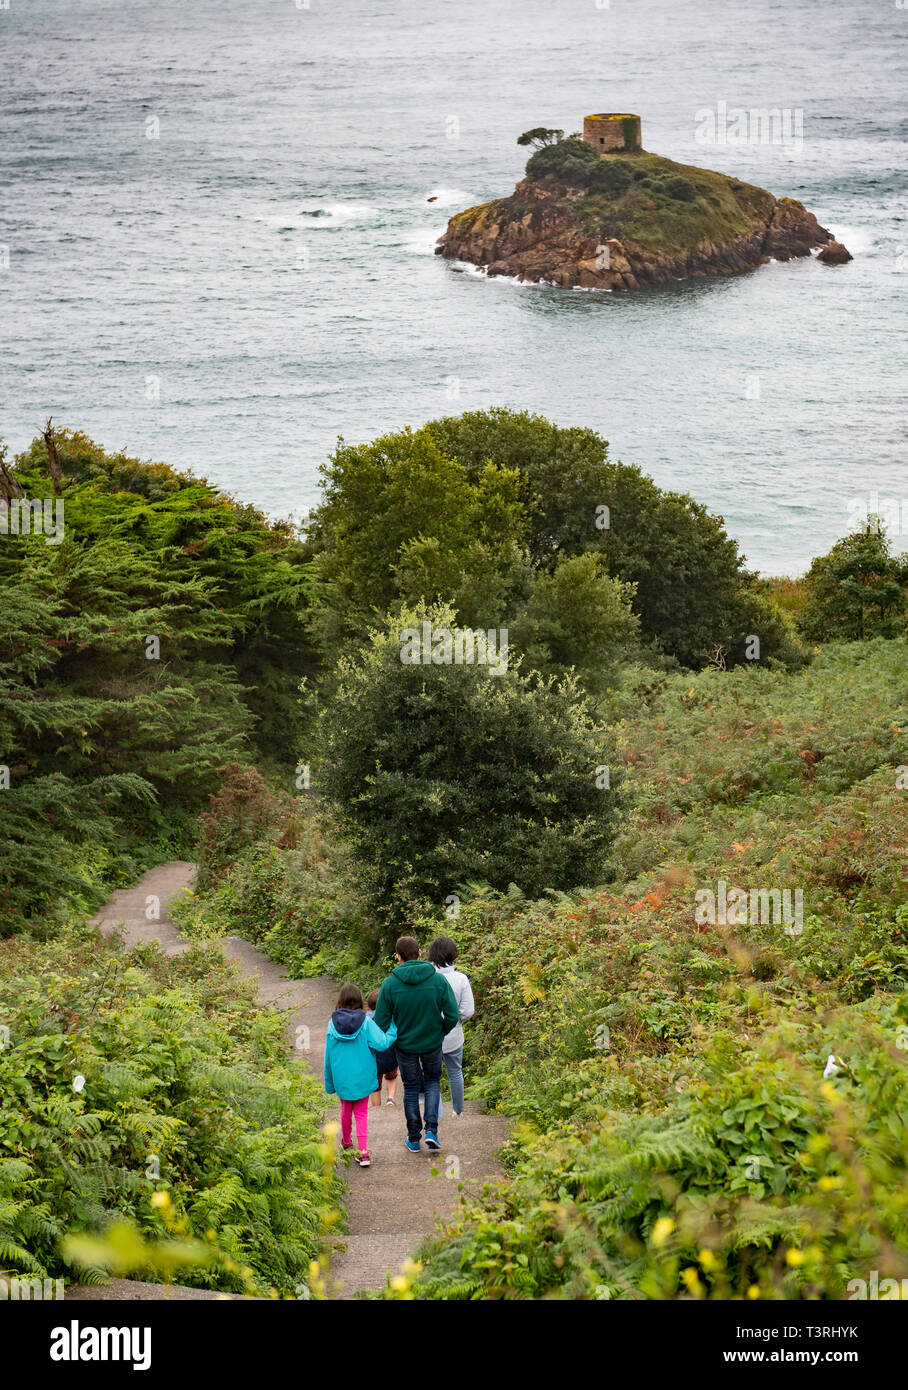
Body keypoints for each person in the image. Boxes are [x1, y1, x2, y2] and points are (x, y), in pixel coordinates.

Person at [373, 935, 459, 1154]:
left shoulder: (390, 984)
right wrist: (441, 1030)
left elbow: (381, 1021)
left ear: (398, 957)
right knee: (432, 1082)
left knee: (410, 1088)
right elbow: (452, 1013)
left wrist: (396, 1033)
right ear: (420, 953)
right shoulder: (438, 980)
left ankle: (413, 1138)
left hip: (405, 1045)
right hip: (432, 1043)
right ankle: (431, 1131)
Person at [324, 983, 397, 1168]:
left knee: (345, 1109)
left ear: (340, 1000)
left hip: (342, 1077)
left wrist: (329, 1082)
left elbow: (328, 1056)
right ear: (360, 1001)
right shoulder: (366, 1022)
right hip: (363, 1076)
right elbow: (381, 1044)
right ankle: (363, 1153)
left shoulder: (331, 1024)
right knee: (361, 1113)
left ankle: (347, 1142)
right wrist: (393, 1029)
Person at [428, 935, 474, 1117]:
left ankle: (436, 1114)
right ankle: (458, 1111)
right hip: (453, 1035)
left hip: (429, 1036)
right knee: (455, 1073)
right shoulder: (461, 979)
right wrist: (456, 1020)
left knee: (432, 1077)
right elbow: (468, 1010)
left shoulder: (427, 977)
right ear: (453, 954)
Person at [365, 988, 399, 1107]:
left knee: (375, 1086)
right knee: (391, 1078)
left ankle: (377, 1107)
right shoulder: (391, 1018)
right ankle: (390, 1098)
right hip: (390, 1056)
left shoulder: (366, 1020)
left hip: (374, 1058)